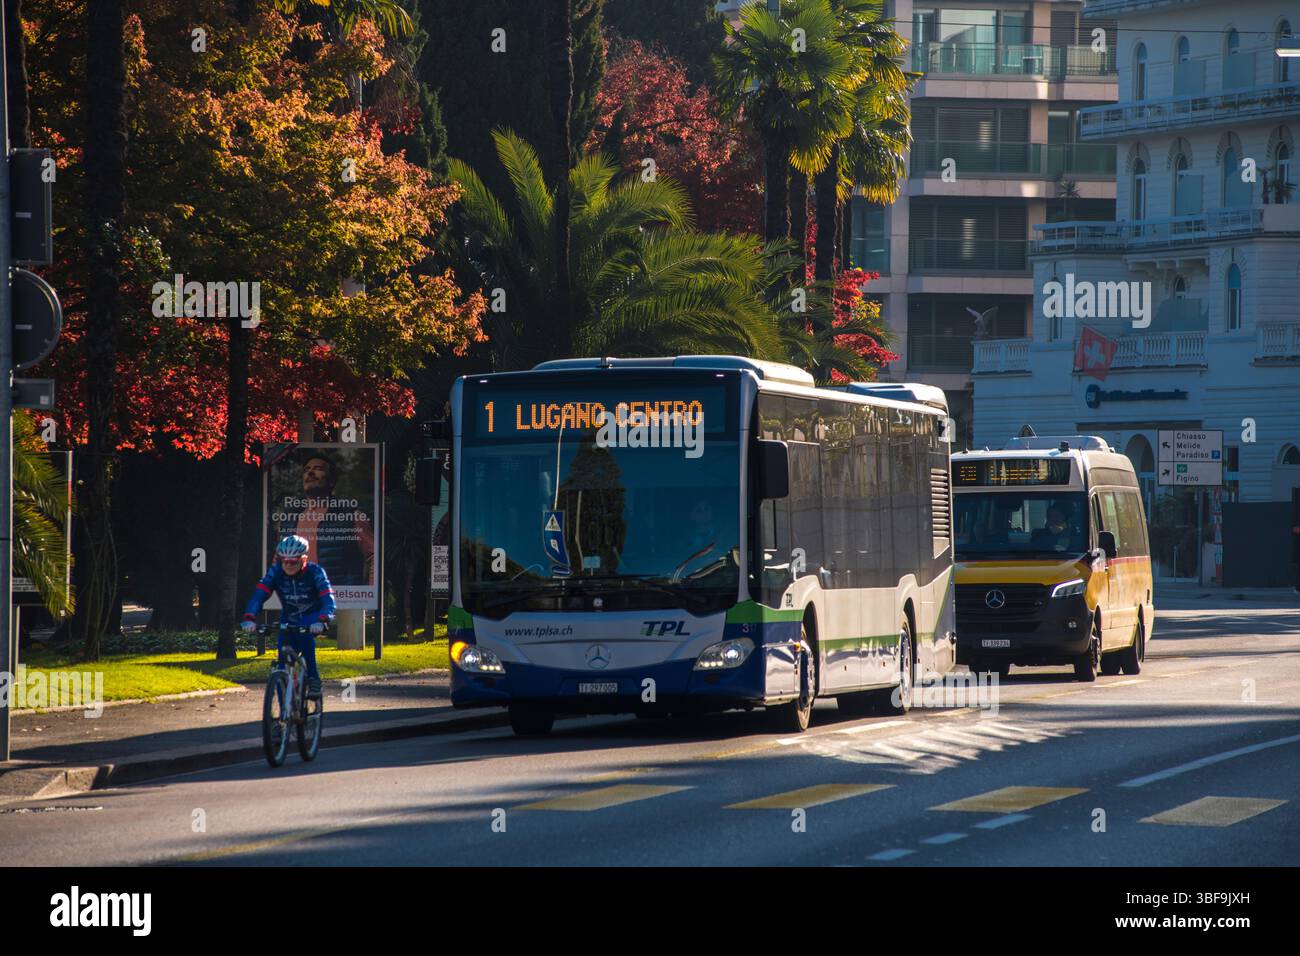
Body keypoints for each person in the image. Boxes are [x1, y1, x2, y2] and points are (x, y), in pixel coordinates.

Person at [241, 535, 335, 697]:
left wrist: (323, 619)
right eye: (284, 561)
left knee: (305, 640)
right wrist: (250, 617)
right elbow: (259, 595)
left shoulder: (315, 572)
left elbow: (328, 599)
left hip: (312, 617)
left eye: (293, 562)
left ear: (303, 560)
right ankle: (285, 710)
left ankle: (314, 679)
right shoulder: (276, 572)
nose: (288, 565)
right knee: (281, 662)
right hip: (288, 618)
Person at [277, 453, 375, 586]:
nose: (310, 472)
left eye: (318, 468)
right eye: (306, 470)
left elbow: (375, 557)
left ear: (331, 481)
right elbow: (278, 561)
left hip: (341, 602)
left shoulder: (352, 516)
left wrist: (370, 595)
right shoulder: (290, 519)